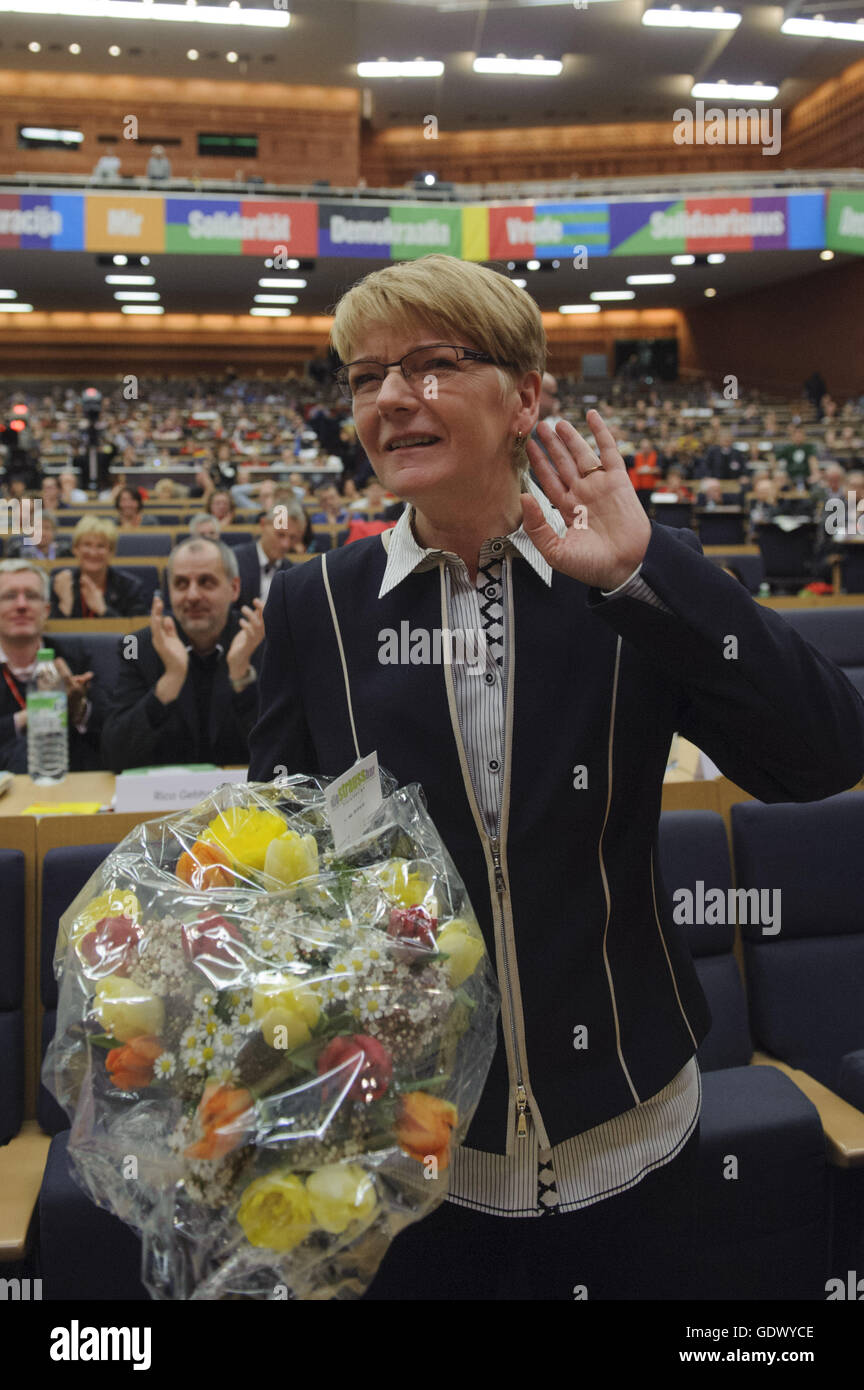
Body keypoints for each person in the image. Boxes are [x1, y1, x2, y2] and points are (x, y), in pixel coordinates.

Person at [247, 253, 864, 1301]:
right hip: (417, 1157)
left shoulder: (620, 571)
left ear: (527, 393)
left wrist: (648, 574)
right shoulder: (315, 605)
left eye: (433, 365)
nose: (393, 396)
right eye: (364, 376)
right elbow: (281, 862)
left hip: (631, 1129)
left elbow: (823, 752)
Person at [101, 537, 264, 772]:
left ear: (234, 588)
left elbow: (281, 752)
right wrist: (170, 680)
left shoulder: (261, 643)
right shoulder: (138, 647)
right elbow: (113, 757)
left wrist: (241, 677)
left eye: (206, 582)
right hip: (163, 801)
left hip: (244, 802)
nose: (193, 595)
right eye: (181, 584)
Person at [0, 559, 105, 772]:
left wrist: (79, 709)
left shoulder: (77, 659)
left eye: (31, 596)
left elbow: (113, 732)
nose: (21, 605)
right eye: (10, 596)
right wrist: (29, 716)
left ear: (46, 610)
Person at [50, 517, 147, 619]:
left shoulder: (130, 587)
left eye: (100, 546)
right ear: (75, 549)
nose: (93, 553)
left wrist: (104, 610)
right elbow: (47, 632)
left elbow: (136, 634)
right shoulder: (58, 584)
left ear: (111, 552)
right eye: (87, 545)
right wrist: (65, 605)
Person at [233, 503, 311, 611]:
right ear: (263, 524)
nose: (286, 545)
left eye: (293, 538)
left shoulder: (291, 571)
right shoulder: (234, 560)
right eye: (280, 534)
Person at [5, 509, 73, 560]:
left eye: (47, 528)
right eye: (37, 528)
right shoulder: (17, 551)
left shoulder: (65, 551)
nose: (42, 533)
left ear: (54, 532)